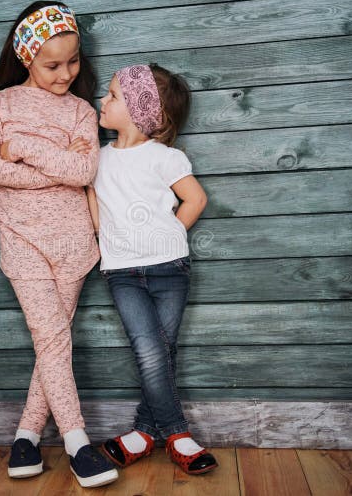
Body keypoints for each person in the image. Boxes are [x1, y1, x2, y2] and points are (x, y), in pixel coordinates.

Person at [0, 1, 118, 488]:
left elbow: (84, 172)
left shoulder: (81, 111)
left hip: (74, 243)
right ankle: (78, 441)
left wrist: (27, 151)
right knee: (53, 339)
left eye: (73, 61)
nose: (65, 74)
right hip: (22, 241)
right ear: (26, 59)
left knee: (49, 343)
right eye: (52, 65)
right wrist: (56, 170)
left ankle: (26, 436)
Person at [87, 64, 217, 475]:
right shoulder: (97, 160)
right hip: (122, 272)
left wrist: (165, 236)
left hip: (170, 269)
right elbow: (96, 217)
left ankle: (143, 433)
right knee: (151, 350)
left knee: (159, 352)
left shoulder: (165, 157)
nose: (102, 102)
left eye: (112, 96)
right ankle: (177, 434)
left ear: (142, 111)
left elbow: (195, 200)